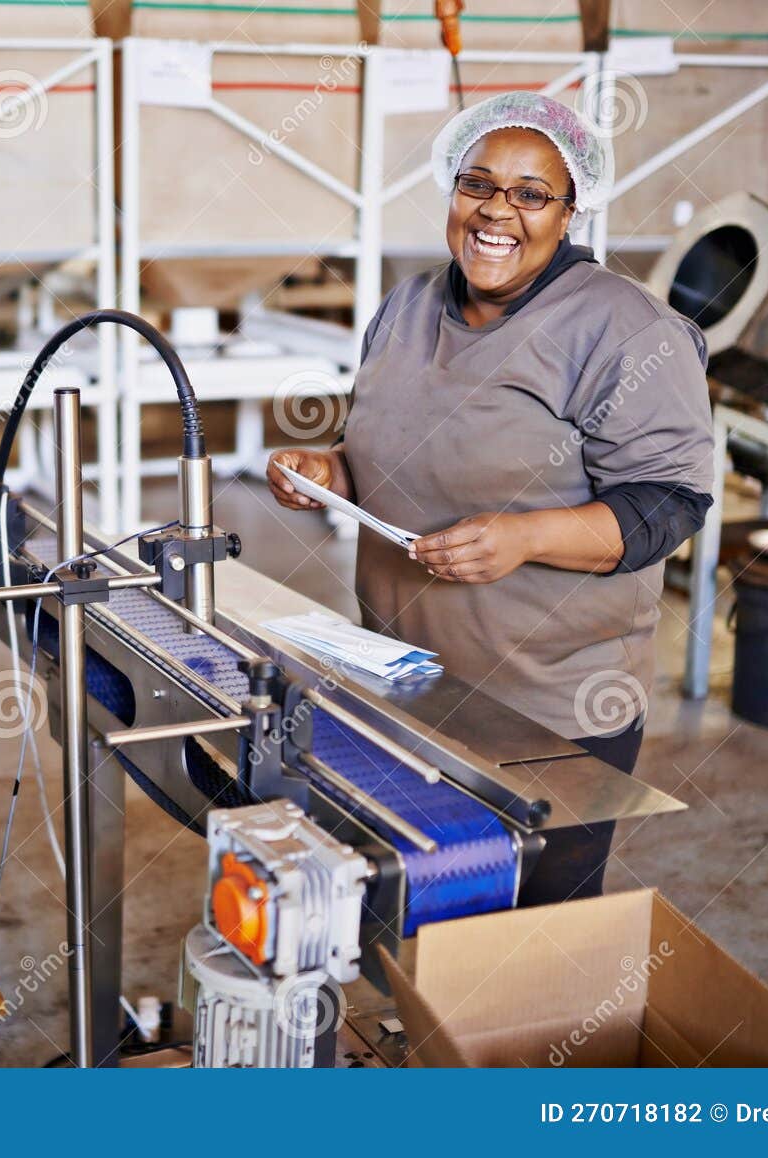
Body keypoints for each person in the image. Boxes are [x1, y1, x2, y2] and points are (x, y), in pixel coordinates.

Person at [266, 92, 714, 905]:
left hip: (549, 708)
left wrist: (527, 537)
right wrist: (331, 472)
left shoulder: (626, 330)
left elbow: (666, 505)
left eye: (530, 193)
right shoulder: (407, 306)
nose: (496, 211)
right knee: (423, 913)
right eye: (477, 184)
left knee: (531, 947)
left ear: (571, 209)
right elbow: (401, 449)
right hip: (404, 680)